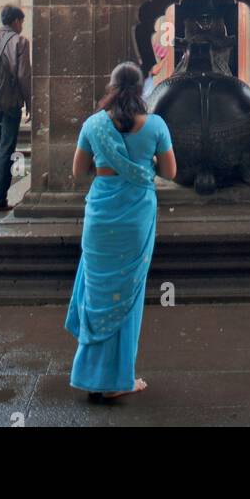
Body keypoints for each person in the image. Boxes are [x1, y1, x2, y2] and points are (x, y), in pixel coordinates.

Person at [65, 62, 176, 400]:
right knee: (128, 295)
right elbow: (170, 173)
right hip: (136, 215)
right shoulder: (155, 125)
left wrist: (110, 161)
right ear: (142, 88)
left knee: (97, 289)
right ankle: (117, 380)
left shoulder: (93, 124)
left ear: (111, 87)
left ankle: (92, 374)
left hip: (101, 215)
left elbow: (78, 171)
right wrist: (143, 164)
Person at [0, 4, 31, 213]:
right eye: (22, 22)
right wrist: (30, 101)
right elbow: (23, 75)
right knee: (7, 147)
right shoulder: (19, 41)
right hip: (10, 101)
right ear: (17, 21)